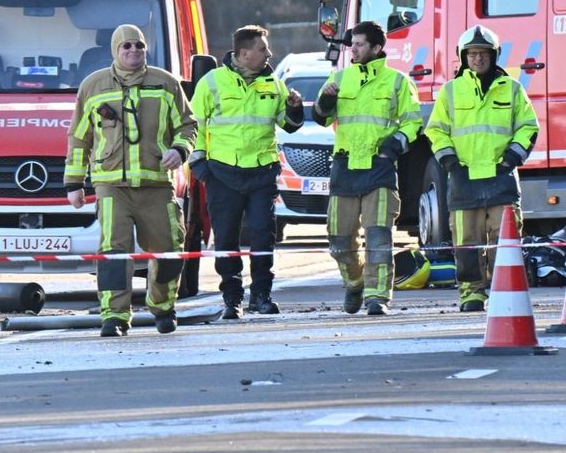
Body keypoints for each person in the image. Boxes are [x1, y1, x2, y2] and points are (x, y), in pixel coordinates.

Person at [64, 24, 196, 336]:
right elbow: (79, 137)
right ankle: (114, 316)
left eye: (139, 46)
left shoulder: (165, 84)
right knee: (113, 250)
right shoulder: (93, 86)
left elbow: (188, 126)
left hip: (156, 184)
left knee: (169, 248)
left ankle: (162, 306)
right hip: (111, 187)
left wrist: (180, 150)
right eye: (126, 47)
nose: (133, 51)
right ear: (115, 50)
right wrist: (74, 184)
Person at [189, 24, 303, 318]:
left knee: (263, 235)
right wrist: (200, 165)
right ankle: (232, 298)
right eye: (263, 48)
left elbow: (288, 125)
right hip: (222, 173)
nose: (269, 53)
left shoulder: (273, 83)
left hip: (262, 173)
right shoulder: (212, 83)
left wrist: (294, 109)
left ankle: (262, 295)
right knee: (226, 238)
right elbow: (194, 127)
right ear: (244, 53)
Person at [425, 25, 538, 312]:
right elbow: (436, 131)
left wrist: (511, 159)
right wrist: (450, 162)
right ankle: (471, 295)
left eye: (483, 53)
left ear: (494, 55)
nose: (477, 58)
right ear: (463, 57)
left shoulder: (513, 89)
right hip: (464, 178)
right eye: (472, 53)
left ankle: (504, 291)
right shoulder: (450, 92)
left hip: (501, 177)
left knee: (506, 241)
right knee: (467, 244)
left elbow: (528, 127)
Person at [313, 20, 421, 316]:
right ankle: (355, 283)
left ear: (377, 48)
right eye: (352, 44)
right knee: (338, 239)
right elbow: (321, 117)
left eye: (360, 44)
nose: (353, 49)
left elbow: (413, 122)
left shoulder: (397, 81)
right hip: (345, 167)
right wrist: (325, 100)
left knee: (378, 238)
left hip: (380, 169)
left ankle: (377, 297)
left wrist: (393, 146)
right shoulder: (340, 77)